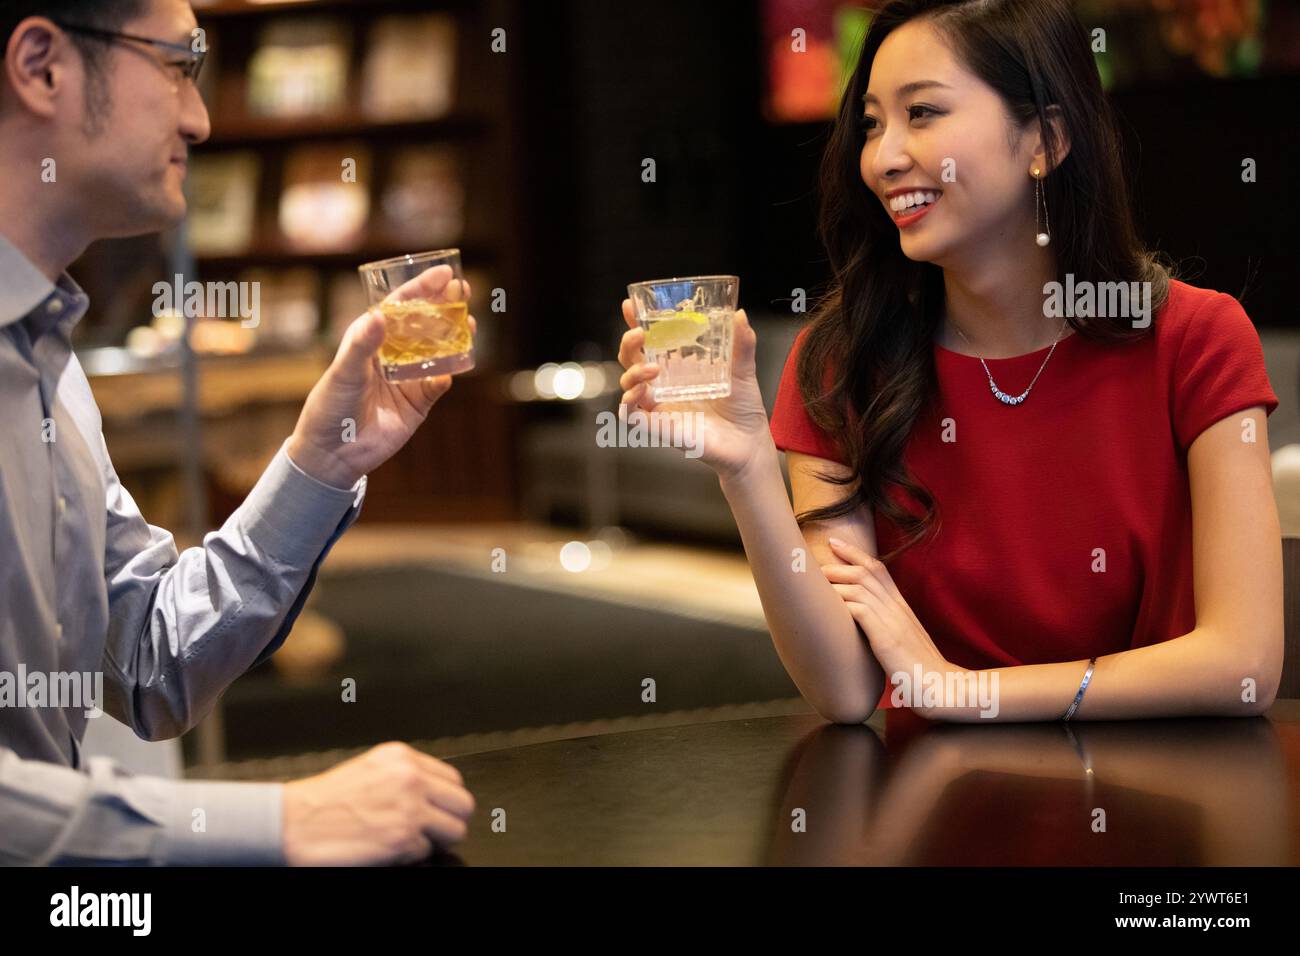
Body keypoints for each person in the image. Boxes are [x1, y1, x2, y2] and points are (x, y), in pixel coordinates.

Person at [616, 0, 1283, 723]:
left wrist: (966, 692)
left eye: (923, 113)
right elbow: (844, 690)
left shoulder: (1194, 338)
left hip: (1161, 807)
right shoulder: (844, 358)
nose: (884, 156)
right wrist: (746, 467)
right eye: (872, 123)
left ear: (1046, 139)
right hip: (939, 806)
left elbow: (1242, 662)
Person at [0, 0, 474, 864]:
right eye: (177, 64)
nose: (200, 116)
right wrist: (280, 824)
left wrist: (321, 463)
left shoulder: (49, 359)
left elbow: (150, 661)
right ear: (41, 66)